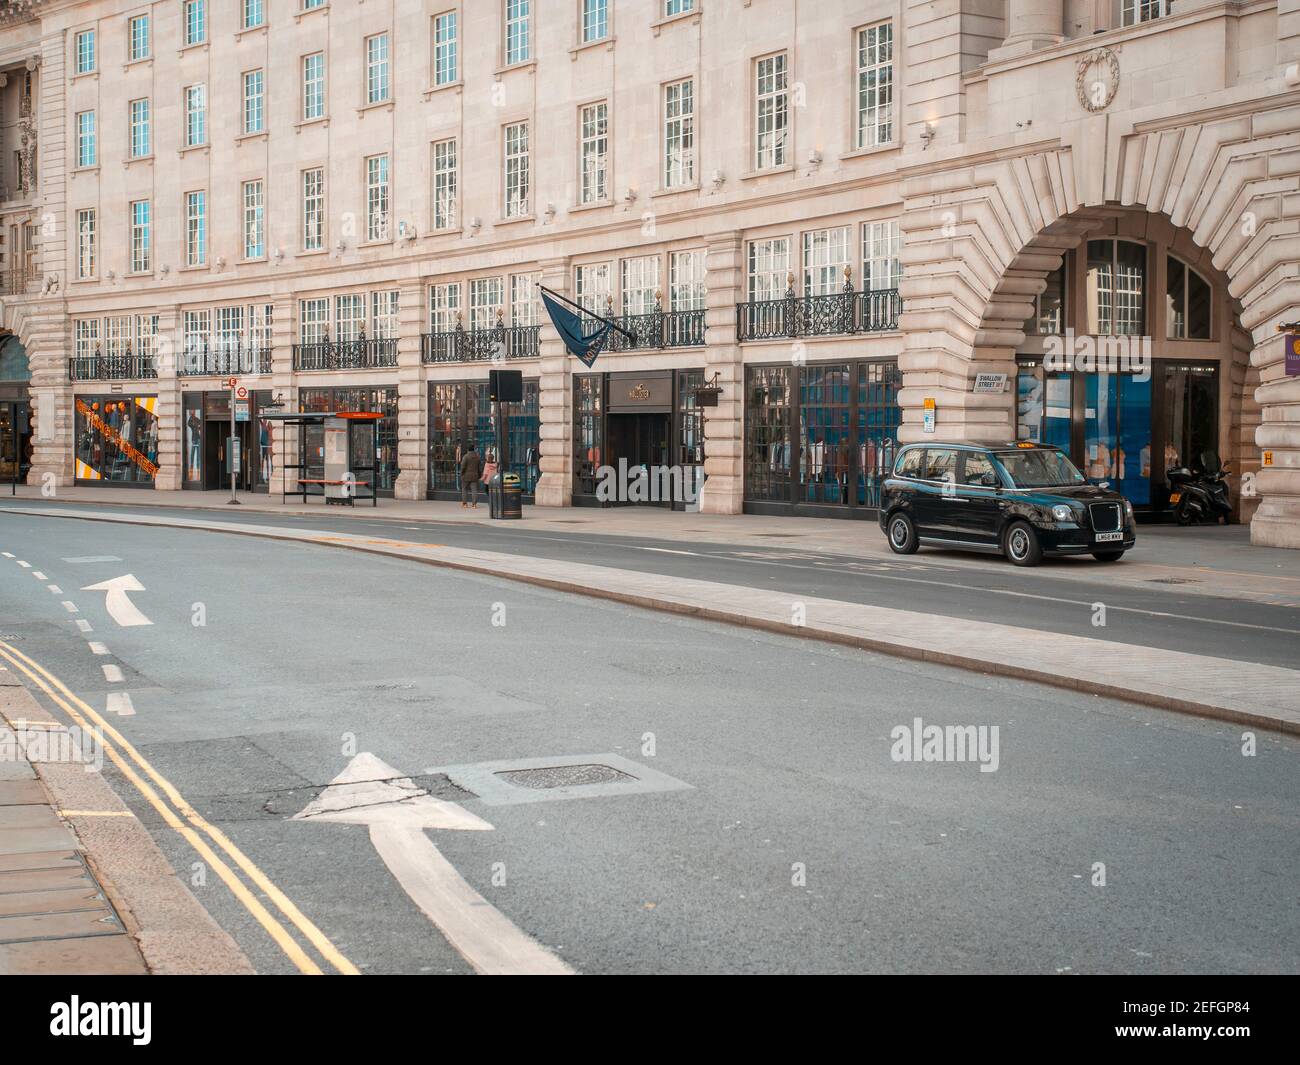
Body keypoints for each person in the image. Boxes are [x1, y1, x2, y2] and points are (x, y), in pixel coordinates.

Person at [459, 442, 482, 508]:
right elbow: (479, 468)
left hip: (466, 475)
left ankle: (465, 504)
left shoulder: (466, 456)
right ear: (474, 449)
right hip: (475, 475)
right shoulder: (477, 457)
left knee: (464, 489)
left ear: (468, 449)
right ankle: (474, 504)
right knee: (474, 490)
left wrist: (461, 473)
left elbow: (463, 466)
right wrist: (479, 475)